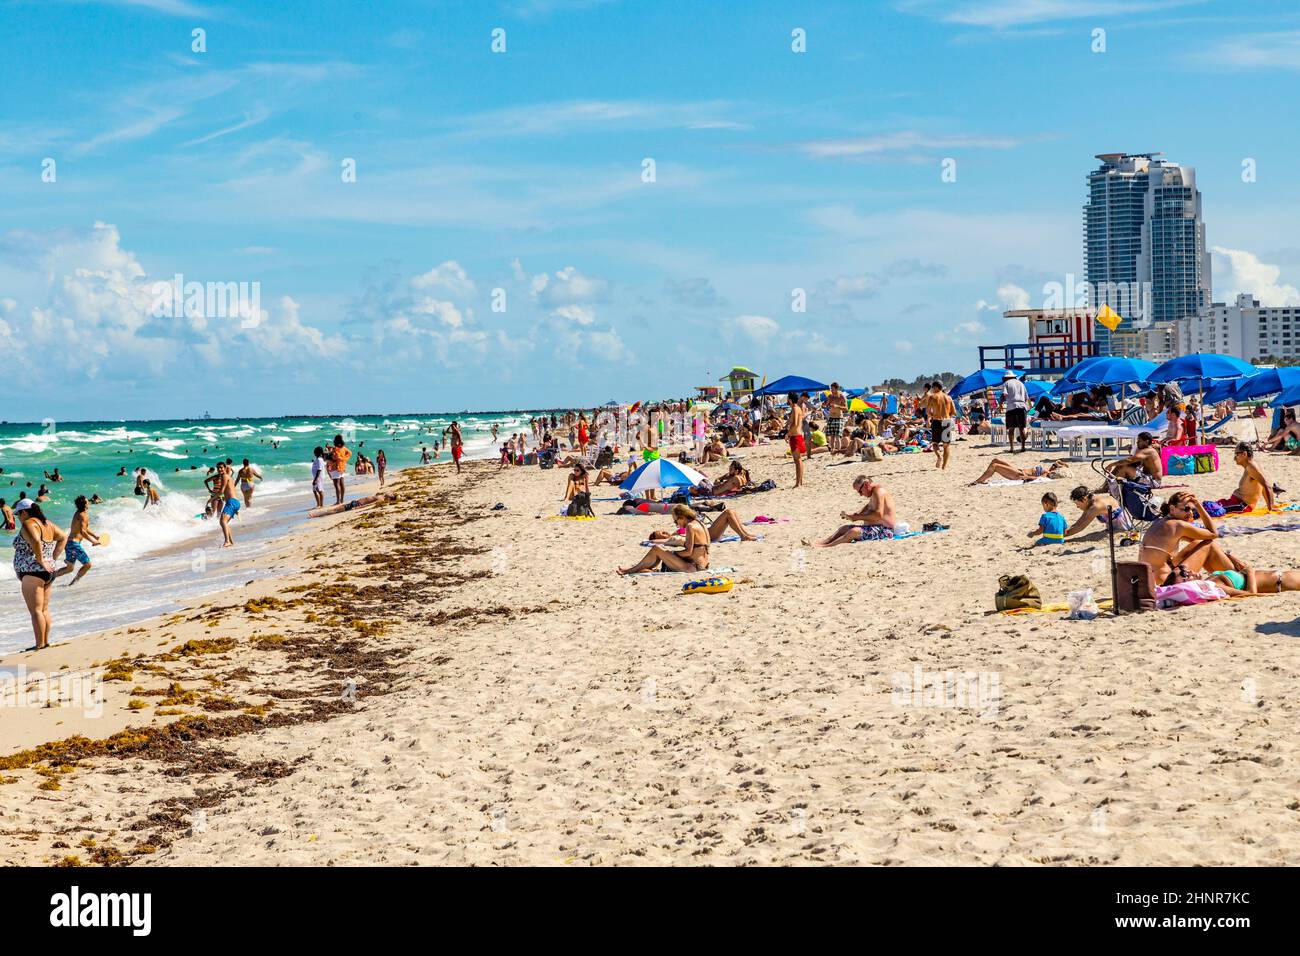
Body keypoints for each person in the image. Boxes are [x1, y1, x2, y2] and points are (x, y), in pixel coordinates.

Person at [1139, 490, 1230, 583]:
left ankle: (1223, 576)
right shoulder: (1179, 525)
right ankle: (1233, 576)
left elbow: (1196, 541)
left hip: (1148, 579)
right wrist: (1199, 506)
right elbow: (1214, 534)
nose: (1190, 513)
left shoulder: (1160, 522)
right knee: (1209, 544)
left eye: (1192, 510)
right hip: (1166, 580)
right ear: (1172, 508)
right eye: (1186, 509)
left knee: (1198, 544)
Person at [12, 499, 66, 651]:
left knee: (36, 611)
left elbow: (36, 540)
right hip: (47, 572)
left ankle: (40, 644)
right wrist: (52, 559)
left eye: (18, 514)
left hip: (33, 572)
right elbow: (63, 537)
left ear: (24, 512)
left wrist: (41, 560)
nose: (18, 517)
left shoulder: (29, 523)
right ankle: (45, 642)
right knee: (44, 609)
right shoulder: (47, 523)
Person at [617, 504, 710, 574]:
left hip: (694, 567)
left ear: (682, 517)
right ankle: (637, 569)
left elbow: (688, 552)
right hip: (704, 566)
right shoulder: (701, 524)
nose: (677, 525)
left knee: (657, 549)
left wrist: (672, 553)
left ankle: (630, 570)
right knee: (656, 557)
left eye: (676, 521)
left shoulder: (690, 526)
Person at [812, 475, 896, 546]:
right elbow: (868, 507)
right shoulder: (874, 493)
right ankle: (823, 543)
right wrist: (854, 515)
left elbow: (878, 515)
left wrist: (858, 517)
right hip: (875, 527)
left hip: (885, 530)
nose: (860, 494)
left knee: (853, 532)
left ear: (866, 484)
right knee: (843, 529)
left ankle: (827, 546)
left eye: (860, 491)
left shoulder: (879, 492)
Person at [1216, 442, 1275, 513]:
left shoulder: (1252, 467)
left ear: (1244, 454)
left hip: (1241, 505)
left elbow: (1267, 485)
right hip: (1236, 503)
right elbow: (1263, 487)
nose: (1234, 458)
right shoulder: (1250, 467)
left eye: (1236, 454)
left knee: (1210, 508)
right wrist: (1269, 505)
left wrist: (1271, 507)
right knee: (1210, 506)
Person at [56, 495, 101, 586]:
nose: (88, 502)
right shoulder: (83, 515)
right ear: (84, 504)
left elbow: (84, 528)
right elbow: (83, 532)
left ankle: (48, 577)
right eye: (87, 501)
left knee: (69, 568)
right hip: (73, 544)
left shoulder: (79, 513)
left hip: (69, 543)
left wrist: (95, 536)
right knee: (87, 565)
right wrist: (93, 542)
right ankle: (73, 584)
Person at [648, 507, 758, 544]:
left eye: (662, 531)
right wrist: (653, 541)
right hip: (709, 535)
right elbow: (655, 542)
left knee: (731, 512)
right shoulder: (672, 538)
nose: (664, 532)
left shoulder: (675, 533)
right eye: (661, 534)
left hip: (708, 532)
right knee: (728, 513)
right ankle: (743, 536)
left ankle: (744, 533)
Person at [1060, 485, 1125, 540]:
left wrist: (1059, 536)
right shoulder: (1093, 501)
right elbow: (1079, 522)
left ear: (1084, 499)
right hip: (1118, 526)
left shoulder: (1095, 507)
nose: (1077, 507)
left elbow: (1080, 527)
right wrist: (1062, 531)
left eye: (1077, 504)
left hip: (1123, 529)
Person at [970, 457, 1069, 485]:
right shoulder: (1048, 470)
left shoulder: (1046, 474)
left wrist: (1027, 477)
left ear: (1056, 471)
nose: (1052, 466)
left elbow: (1039, 478)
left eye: (1054, 466)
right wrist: (1059, 463)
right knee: (995, 460)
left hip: (1019, 475)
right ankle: (982, 479)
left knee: (995, 466)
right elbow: (1059, 461)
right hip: (1018, 470)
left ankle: (979, 480)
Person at [1001, 371, 1030, 453]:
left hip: (1011, 407)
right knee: (1022, 428)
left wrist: (1000, 404)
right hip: (1022, 407)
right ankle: (1023, 447)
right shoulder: (1021, 384)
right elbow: (1026, 398)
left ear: (1007, 377)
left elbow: (1004, 395)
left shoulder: (1006, 383)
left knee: (1011, 429)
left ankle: (1012, 448)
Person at [215, 461, 239, 547]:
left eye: (221, 467)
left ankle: (227, 541)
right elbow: (227, 492)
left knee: (223, 521)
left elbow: (221, 491)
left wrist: (212, 498)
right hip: (234, 502)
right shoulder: (229, 477)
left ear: (225, 468)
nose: (219, 469)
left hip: (232, 502)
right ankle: (231, 542)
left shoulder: (225, 476)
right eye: (218, 468)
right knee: (224, 522)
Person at [785, 391, 806, 488]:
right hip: (797, 435)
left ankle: (798, 483)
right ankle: (799, 481)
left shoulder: (795, 408)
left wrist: (788, 434)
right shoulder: (797, 408)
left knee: (797, 460)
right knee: (798, 460)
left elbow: (796, 424)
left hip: (795, 436)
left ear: (790, 399)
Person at [328, 434, 351, 505]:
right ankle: (342, 500)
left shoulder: (335, 448)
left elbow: (335, 457)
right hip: (342, 467)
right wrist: (344, 459)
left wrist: (331, 455)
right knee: (342, 483)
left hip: (336, 467)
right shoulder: (344, 448)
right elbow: (350, 453)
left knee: (336, 484)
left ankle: (338, 501)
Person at [825, 382, 848, 454]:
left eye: (832, 389)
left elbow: (846, 408)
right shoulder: (830, 396)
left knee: (838, 436)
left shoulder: (841, 396)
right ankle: (832, 451)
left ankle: (838, 451)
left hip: (839, 418)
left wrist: (837, 406)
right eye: (831, 389)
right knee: (832, 436)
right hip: (831, 417)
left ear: (836, 388)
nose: (831, 390)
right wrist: (826, 404)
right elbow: (826, 405)